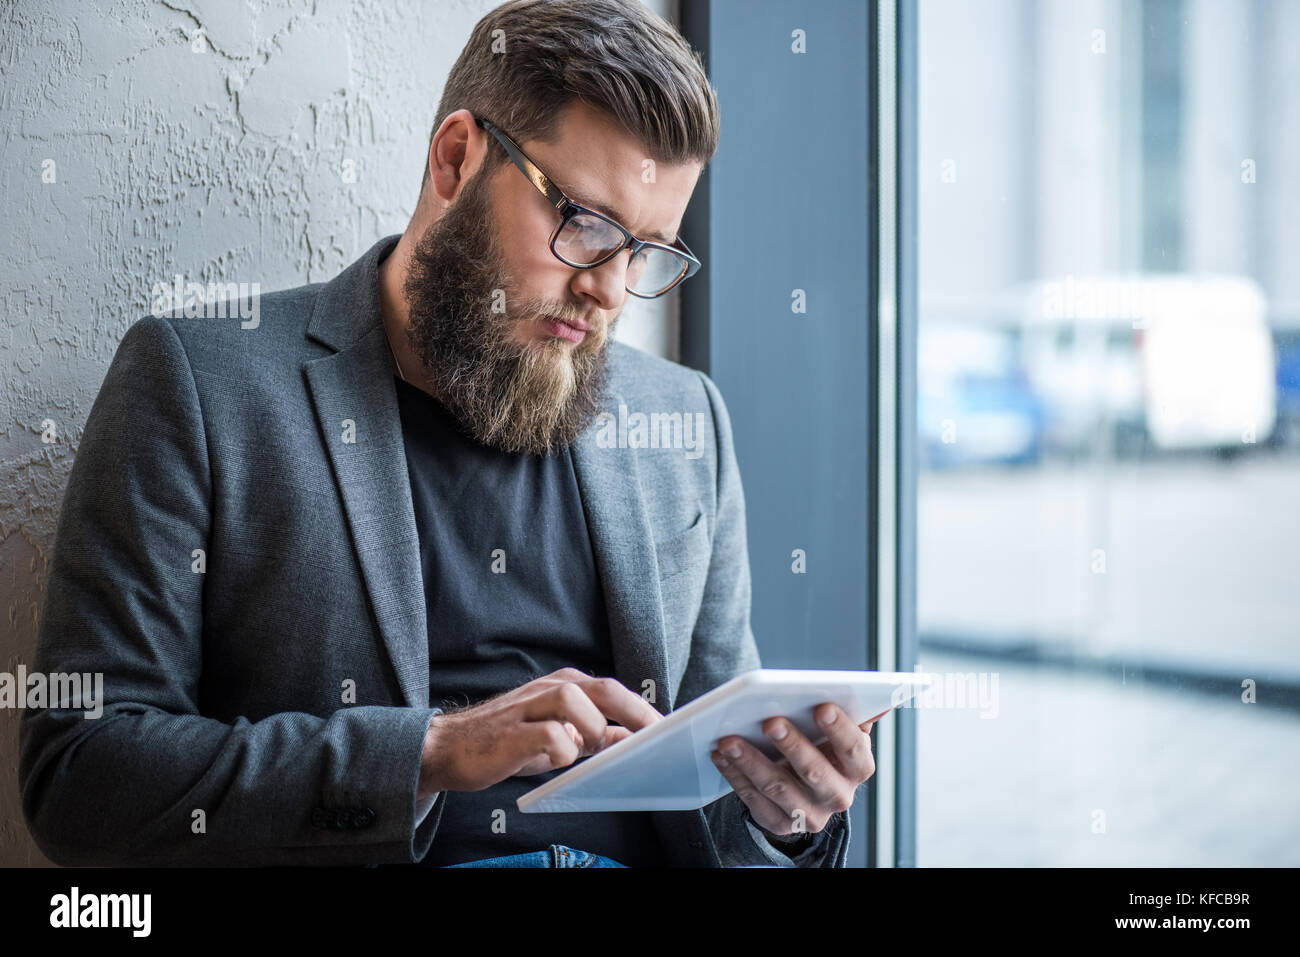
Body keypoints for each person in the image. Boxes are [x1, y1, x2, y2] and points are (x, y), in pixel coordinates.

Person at [19, 0, 881, 869]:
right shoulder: (201, 382)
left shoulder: (686, 424)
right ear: (457, 157)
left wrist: (784, 817)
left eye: (645, 251)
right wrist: (431, 753)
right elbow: (81, 778)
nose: (612, 292)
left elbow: (715, 810)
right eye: (585, 225)